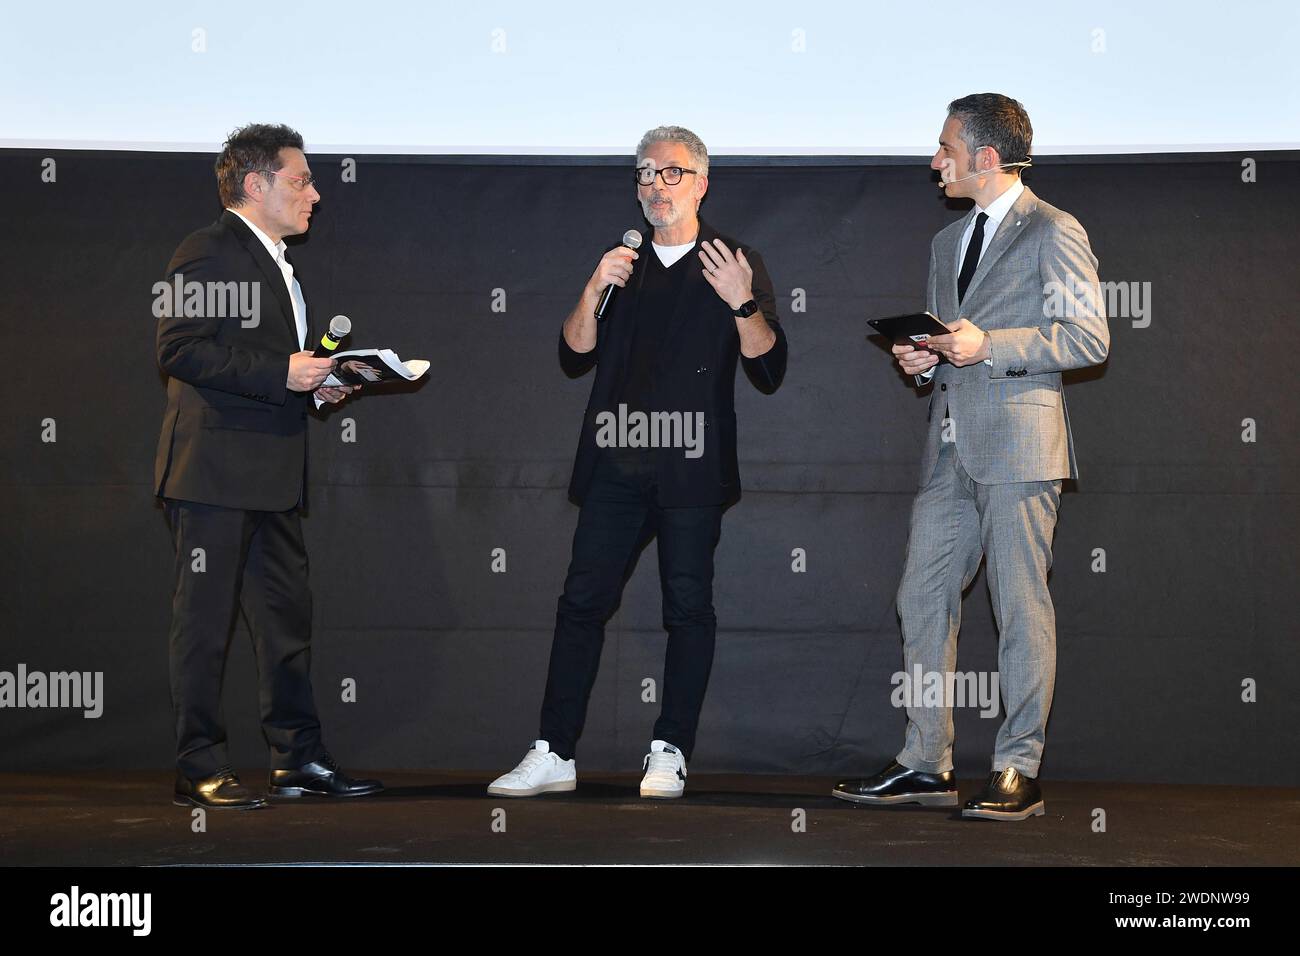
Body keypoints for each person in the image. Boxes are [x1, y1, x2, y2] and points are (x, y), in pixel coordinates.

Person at [489, 125, 787, 800]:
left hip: (691, 464)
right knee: (580, 602)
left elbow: (769, 366)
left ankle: (670, 748)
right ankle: (554, 751)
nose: (654, 185)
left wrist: (741, 299)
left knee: (688, 605)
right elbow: (573, 353)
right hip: (616, 462)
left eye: (670, 173)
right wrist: (594, 285)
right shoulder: (620, 263)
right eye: (644, 174)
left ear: (702, 182)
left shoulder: (733, 259)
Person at [834, 94, 1109, 820]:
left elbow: (1088, 339)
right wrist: (920, 359)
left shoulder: (1054, 230)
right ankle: (927, 762)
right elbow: (945, 349)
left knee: (1020, 606)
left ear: (985, 158)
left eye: (945, 149)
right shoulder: (945, 246)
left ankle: (1019, 766)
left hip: (1020, 444)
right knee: (919, 599)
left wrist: (991, 345)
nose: (935, 162)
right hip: (949, 450)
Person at [155, 123, 382, 809]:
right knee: (204, 624)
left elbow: (270, 370)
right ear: (256, 186)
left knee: (286, 623)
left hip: (275, 475)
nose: (314, 193)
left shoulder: (280, 264)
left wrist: (320, 381)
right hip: (214, 476)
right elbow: (179, 347)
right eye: (301, 180)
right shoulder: (206, 251)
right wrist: (284, 370)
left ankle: (297, 761)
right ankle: (197, 766)